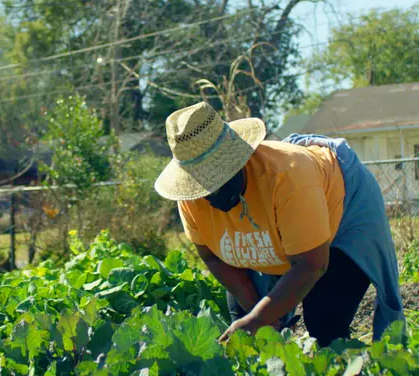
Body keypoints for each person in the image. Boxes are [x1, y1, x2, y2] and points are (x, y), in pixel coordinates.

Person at [154, 102, 405, 347]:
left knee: (325, 322)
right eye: (202, 186)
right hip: (276, 224)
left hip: (342, 206)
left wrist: (260, 318)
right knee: (244, 322)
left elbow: (312, 264)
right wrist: (255, 310)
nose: (210, 194)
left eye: (218, 181)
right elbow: (213, 257)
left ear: (240, 162)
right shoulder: (190, 198)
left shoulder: (288, 178)